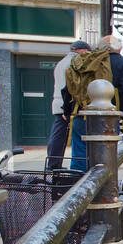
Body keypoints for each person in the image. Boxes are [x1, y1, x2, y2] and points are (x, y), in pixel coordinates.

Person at [64, 36, 123, 172]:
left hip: (81, 112)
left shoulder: (87, 61)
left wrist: (67, 112)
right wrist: (122, 113)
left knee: (79, 154)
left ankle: (78, 187)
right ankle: (103, 189)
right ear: (119, 47)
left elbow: (68, 88)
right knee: (105, 156)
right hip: (107, 115)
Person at [47, 40, 89, 170]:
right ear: (81, 51)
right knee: (60, 135)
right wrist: (68, 109)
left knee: (58, 134)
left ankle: (53, 164)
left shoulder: (61, 63)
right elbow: (71, 88)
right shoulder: (74, 63)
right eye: (87, 52)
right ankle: (53, 165)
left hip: (59, 102)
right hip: (66, 105)